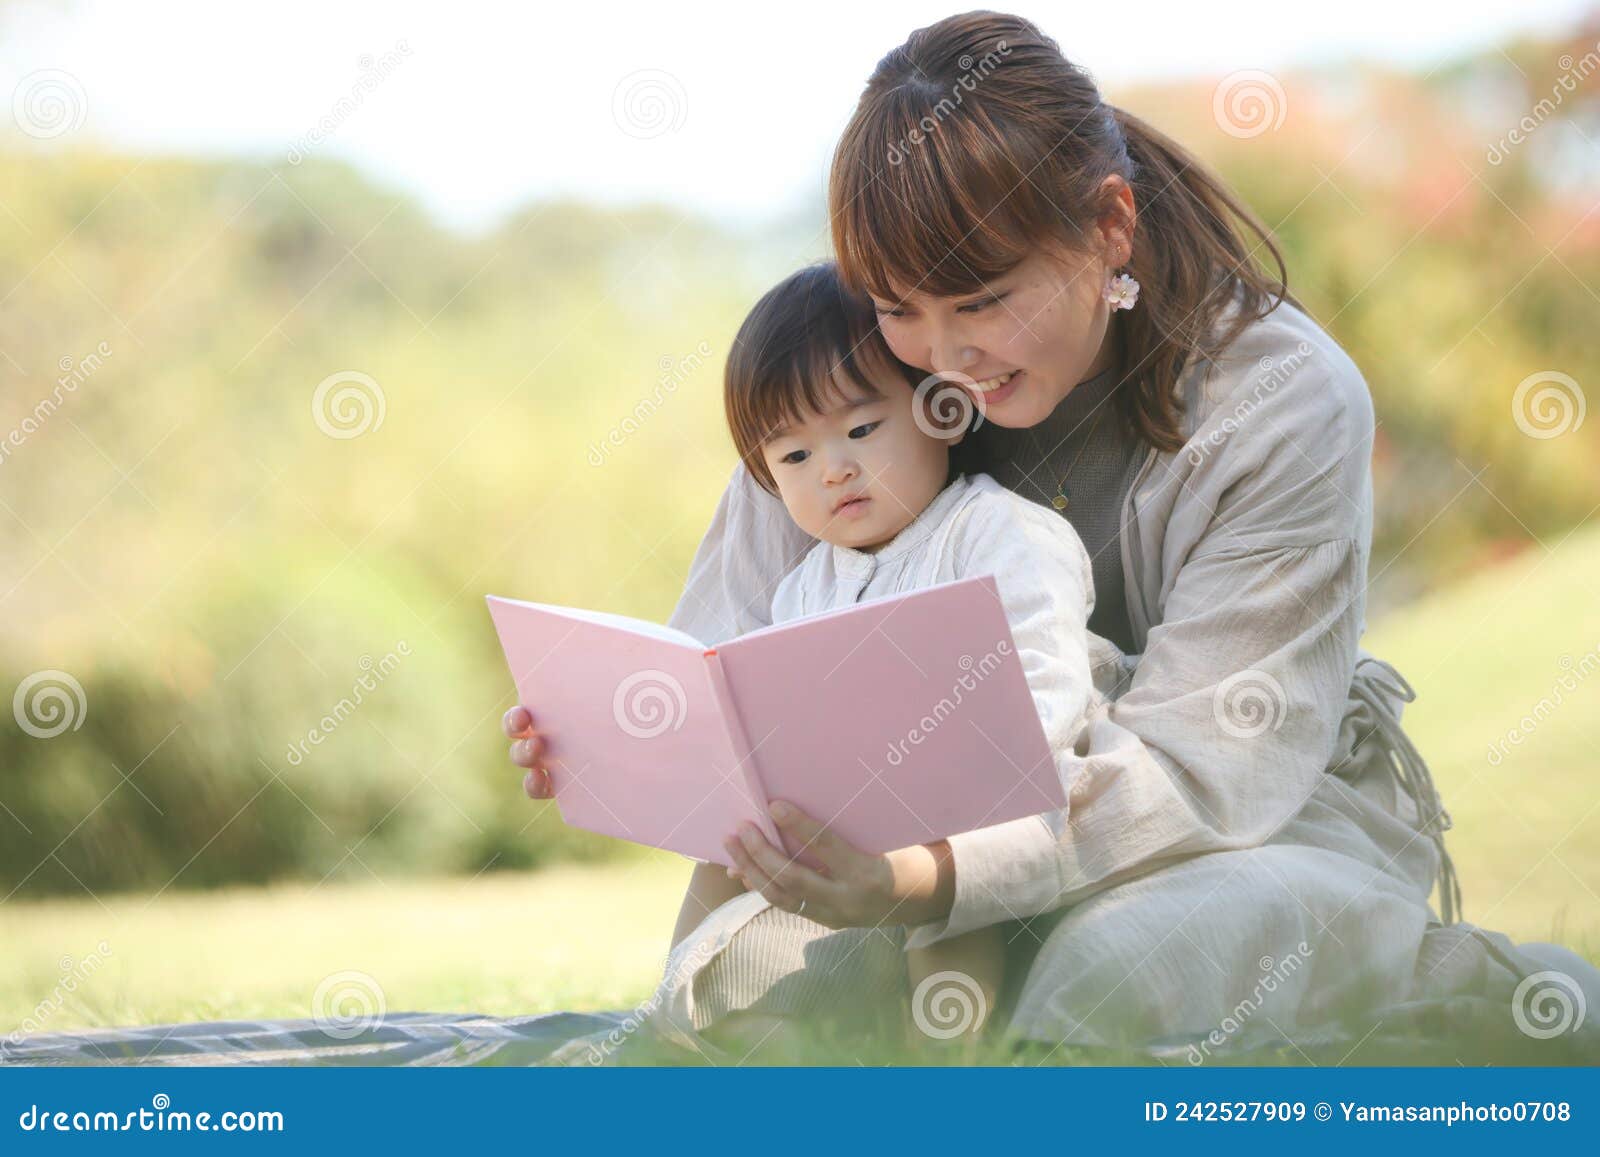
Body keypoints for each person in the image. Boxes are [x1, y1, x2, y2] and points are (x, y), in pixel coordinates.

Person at [510, 11, 1600, 1059]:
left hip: (1222, 828)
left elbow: (1202, 766)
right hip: (904, 833)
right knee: (752, 989)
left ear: (1108, 225)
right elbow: (726, 659)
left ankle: (1489, 996)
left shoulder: (1281, 399)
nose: (940, 355)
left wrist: (929, 881)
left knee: (1108, 977)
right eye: (899, 305)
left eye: (981, 302)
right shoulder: (855, 366)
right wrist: (618, 730)